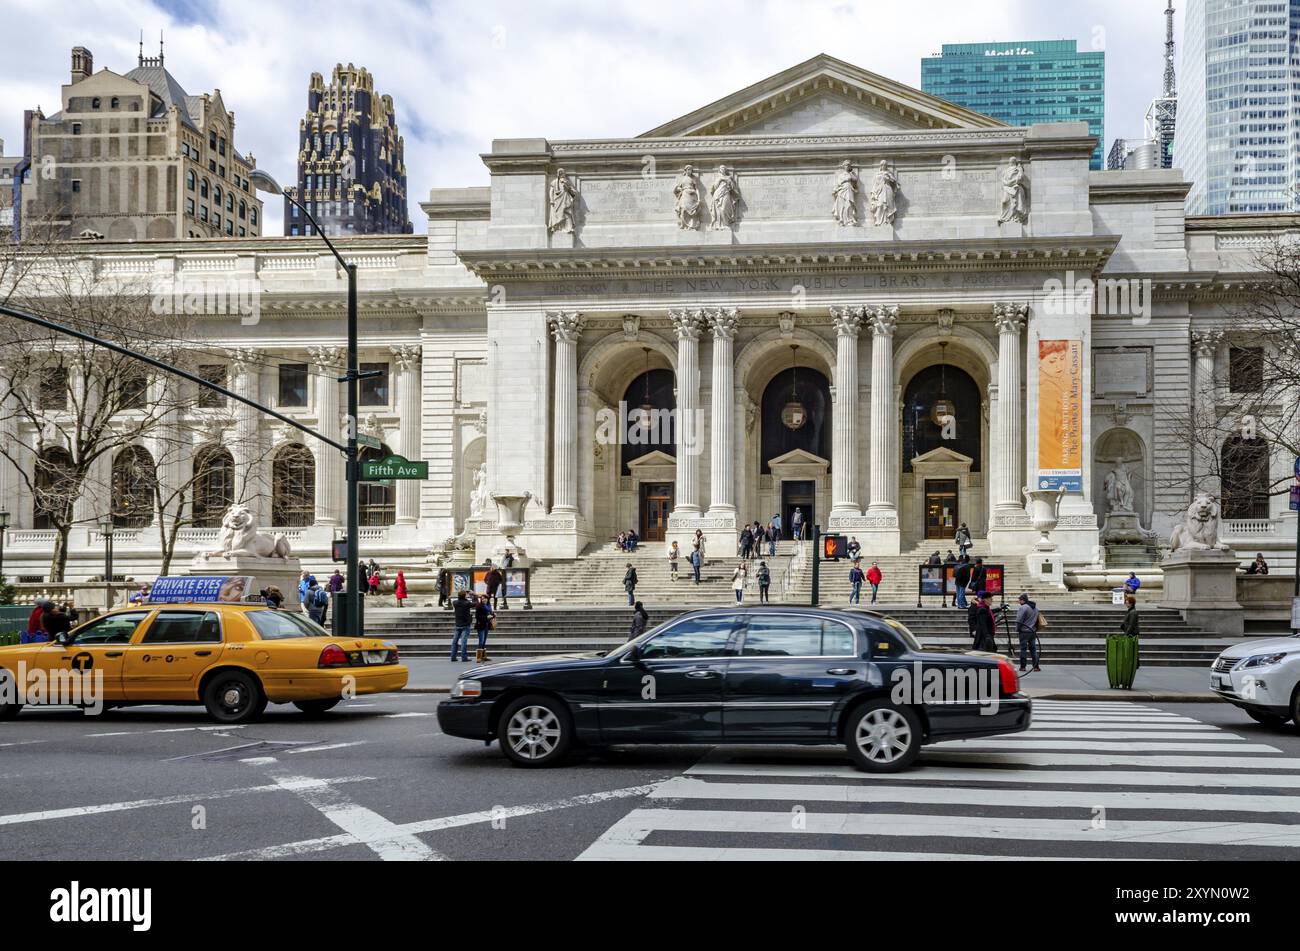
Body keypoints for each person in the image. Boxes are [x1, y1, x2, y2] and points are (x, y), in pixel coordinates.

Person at [1015, 593, 1041, 673]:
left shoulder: (1023, 608)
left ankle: (1023, 667)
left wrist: (1017, 629)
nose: (1019, 602)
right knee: (1033, 649)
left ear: (1023, 600)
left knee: (1023, 649)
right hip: (1032, 631)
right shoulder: (1035, 608)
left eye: (1019, 600)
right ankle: (1036, 667)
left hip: (1024, 631)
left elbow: (1019, 620)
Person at [451, 591, 473, 662]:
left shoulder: (455, 603)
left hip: (458, 624)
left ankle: (453, 656)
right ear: (465, 596)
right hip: (465, 624)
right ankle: (464, 657)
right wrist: (472, 595)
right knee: (464, 642)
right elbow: (475, 604)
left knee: (455, 641)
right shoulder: (467, 603)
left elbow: (459, 601)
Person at [474, 594, 495, 661]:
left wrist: (493, 615)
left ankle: (483, 656)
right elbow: (477, 617)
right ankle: (478, 657)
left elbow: (491, 614)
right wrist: (486, 617)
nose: (484, 600)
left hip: (486, 625)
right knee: (481, 641)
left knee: (484, 641)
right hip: (480, 625)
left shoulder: (488, 605)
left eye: (485, 598)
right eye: (482, 599)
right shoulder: (479, 606)